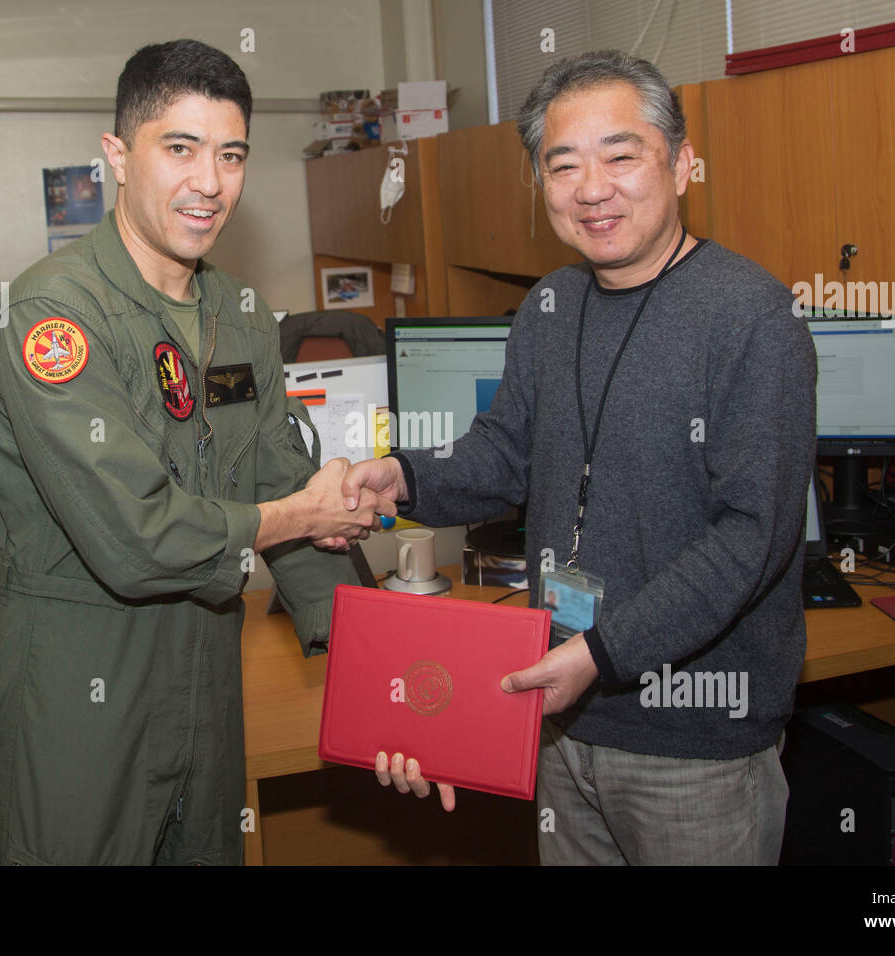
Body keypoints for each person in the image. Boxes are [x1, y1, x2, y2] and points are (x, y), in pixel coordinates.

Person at [342, 49, 817, 864]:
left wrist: (604, 653)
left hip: (693, 742)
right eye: (563, 166)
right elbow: (506, 452)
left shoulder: (750, 317)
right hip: (562, 718)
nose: (592, 188)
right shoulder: (551, 306)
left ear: (683, 162)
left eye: (621, 156)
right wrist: (409, 477)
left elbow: (755, 536)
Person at [0, 38, 392, 865]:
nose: (210, 182)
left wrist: (387, 674)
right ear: (118, 157)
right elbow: (135, 539)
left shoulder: (237, 312)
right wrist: (294, 512)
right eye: (180, 148)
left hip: (205, 676)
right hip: (84, 688)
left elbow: (285, 480)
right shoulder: (51, 315)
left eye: (230, 155)